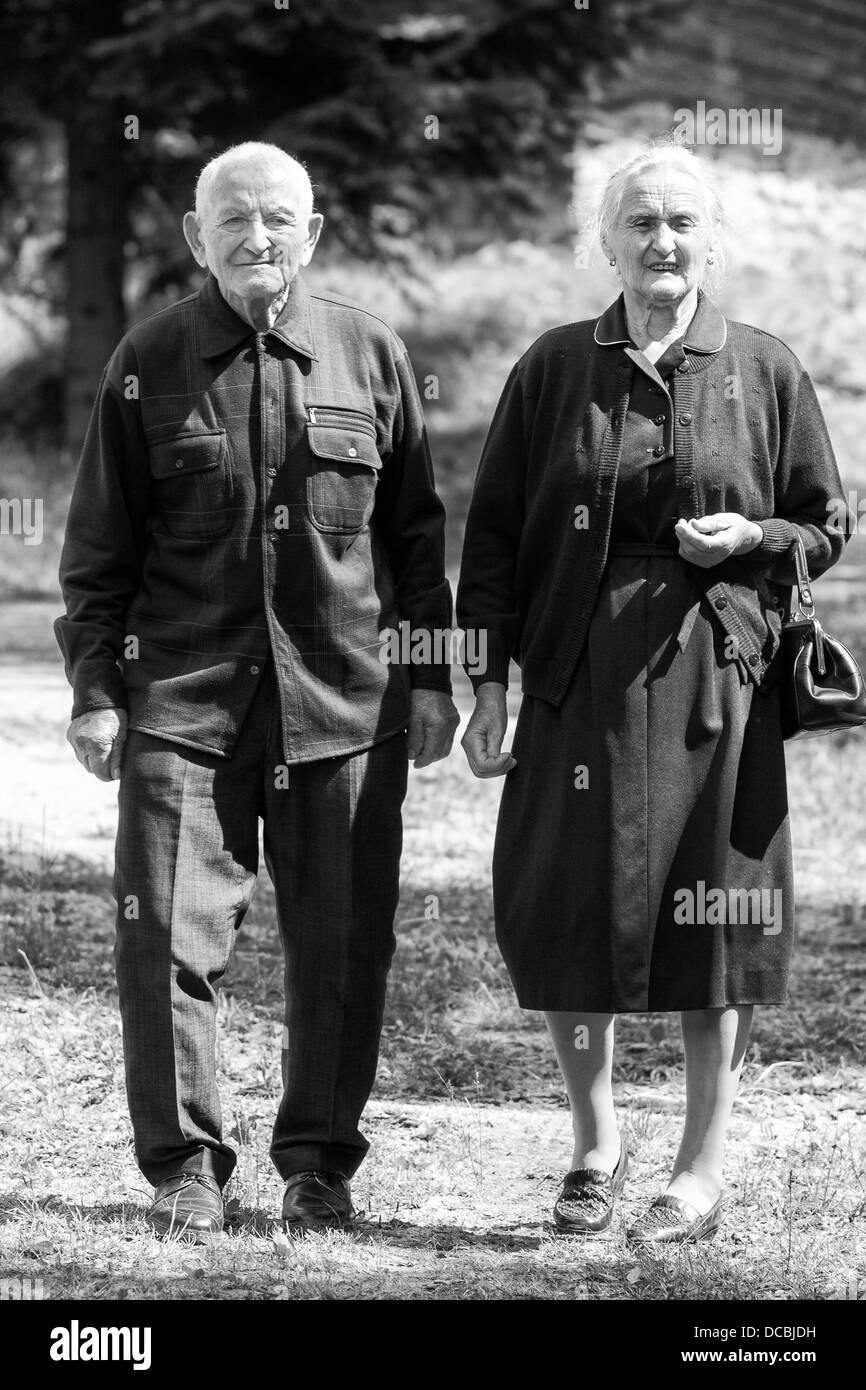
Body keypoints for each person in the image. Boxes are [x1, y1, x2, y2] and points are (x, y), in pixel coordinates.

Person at [56, 141, 459, 1241]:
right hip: (183, 707)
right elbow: (98, 554)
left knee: (340, 946)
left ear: (313, 232)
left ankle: (318, 1164)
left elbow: (418, 545)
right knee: (168, 942)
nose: (257, 237)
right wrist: (97, 691)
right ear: (196, 238)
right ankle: (187, 1165)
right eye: (232, 219)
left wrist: (430, 683)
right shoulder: (149, 359)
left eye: (278, 218)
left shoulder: (371, 358)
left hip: (344, 708)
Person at [457, 142, 850, 1243]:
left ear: (709, 239)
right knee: (565, 906)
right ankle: (593, 1144)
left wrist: (754, 535)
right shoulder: (549, 368)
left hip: (716, 679)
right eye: (638, 222)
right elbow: (488, 541)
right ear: (604, 242)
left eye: (680, 220)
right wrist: (482, 677)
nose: (660, 240)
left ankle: (698, 1167)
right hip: (574, 681)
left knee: (709, 918)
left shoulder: (762, 366)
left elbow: (825, 520)